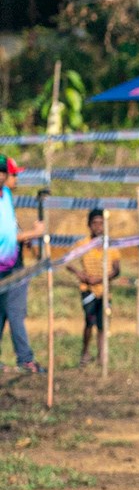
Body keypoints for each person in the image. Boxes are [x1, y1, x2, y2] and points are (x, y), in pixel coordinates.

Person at [0, 156, 49, 375]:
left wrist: (24, 237)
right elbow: (6, 236)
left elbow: (10, 231)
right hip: (7, 268)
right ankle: (25, 359)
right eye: (13, 174)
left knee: (5, 312)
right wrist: (34, 233)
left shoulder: (7, 196)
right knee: (15, 312)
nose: (16, 179)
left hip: (12, 264)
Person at [67, 206, 120, 366]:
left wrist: (102, 278)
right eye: (95, 223)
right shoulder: (83, 244)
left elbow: (117, 269)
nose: (98, 227)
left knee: (103, 324)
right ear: (89, 225)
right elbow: (68, 261)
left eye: (101, 223)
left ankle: (101, 356)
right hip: (88, 290)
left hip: (104, 290)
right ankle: (85, 352)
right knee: (90, 320)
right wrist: (81, 275)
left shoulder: (111, 245)